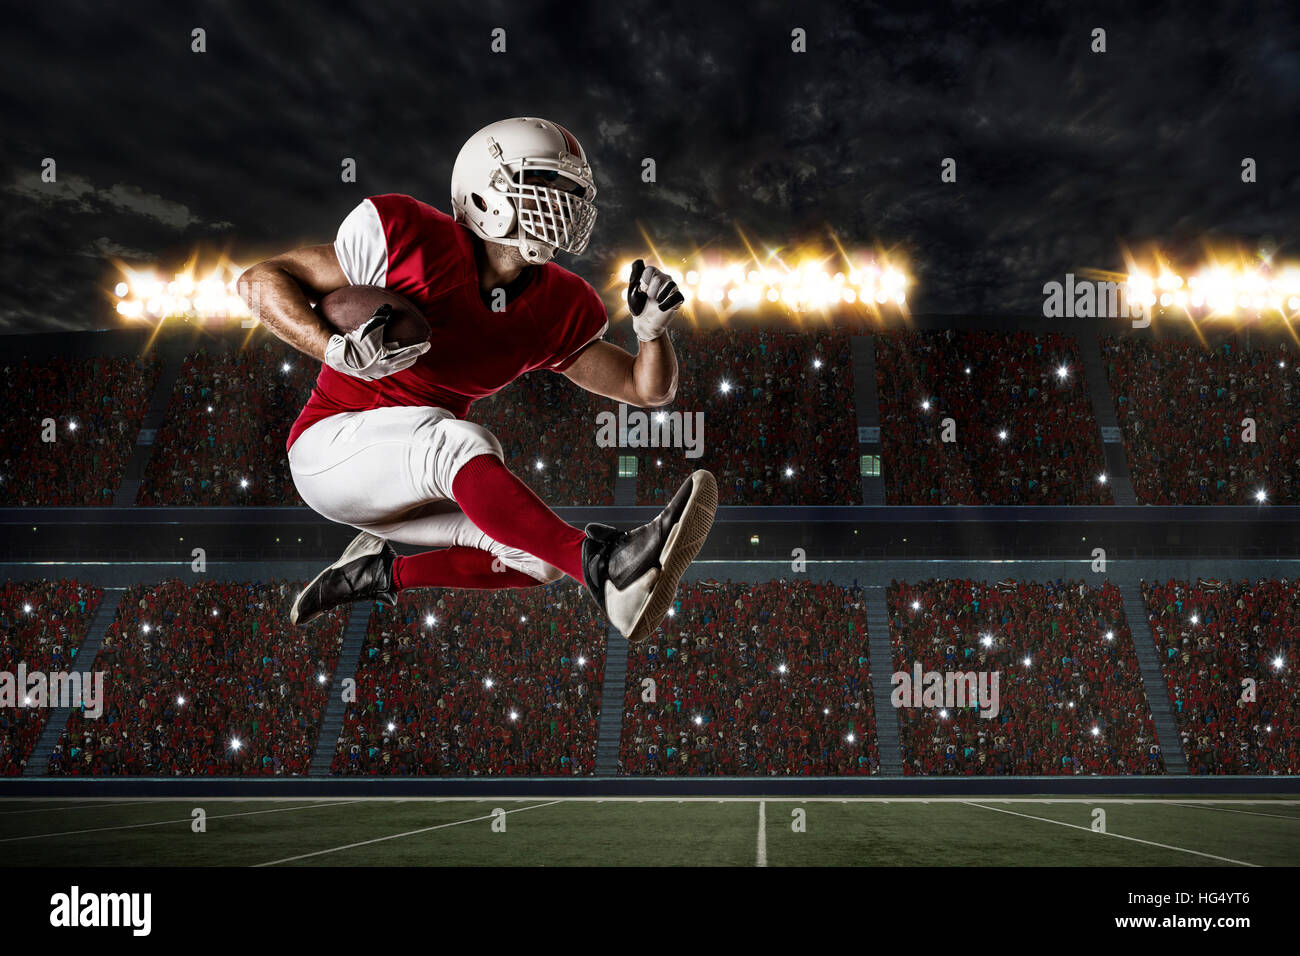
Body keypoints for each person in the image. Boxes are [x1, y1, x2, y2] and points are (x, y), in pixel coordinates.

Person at [238, 117, 716, 643]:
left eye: (574, 189)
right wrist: (331, 348)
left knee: (536, 561)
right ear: (486, 191)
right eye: (546, 183)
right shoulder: (408, 237)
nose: (566, 201)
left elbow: (647, 390)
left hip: (413, 481)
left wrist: (651, 334)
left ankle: (375, 573)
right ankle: (608, 569)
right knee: (461, 441)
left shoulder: (558, 303)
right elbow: (259, 281)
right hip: (331, 450)